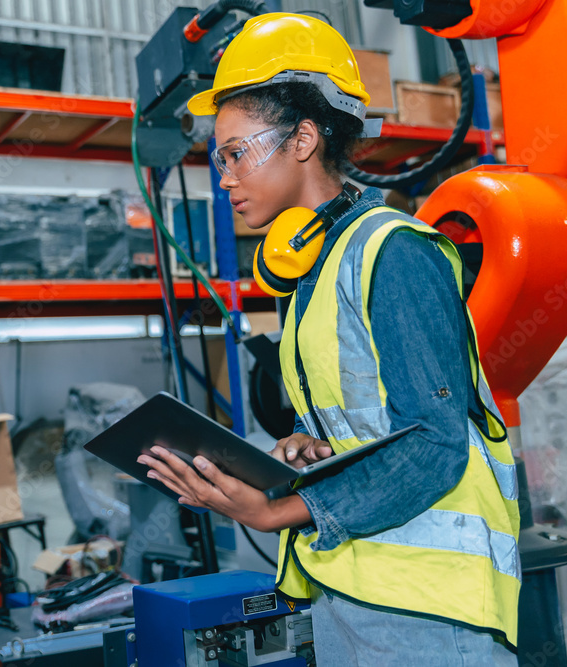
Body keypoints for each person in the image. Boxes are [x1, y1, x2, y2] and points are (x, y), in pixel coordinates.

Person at [137, 13, 520, 665]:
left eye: (235, 153)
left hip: (427, 612)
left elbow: (434, 446)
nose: (223, 177)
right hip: (349, 590)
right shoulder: (314, 268)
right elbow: (375, 430)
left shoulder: (391, 252)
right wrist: (309, 449)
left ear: (303, 138)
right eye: (217, 158)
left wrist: (274, 509)